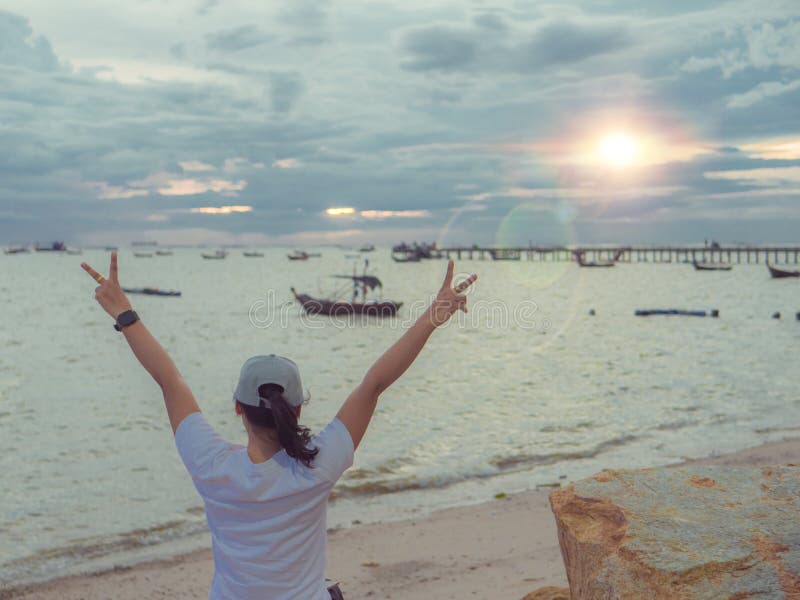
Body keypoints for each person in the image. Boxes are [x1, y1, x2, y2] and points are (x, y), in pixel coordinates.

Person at [81, 252, 477, 600]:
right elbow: (373, 385)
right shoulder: (316, 467)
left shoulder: (212, 467)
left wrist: (124, 314)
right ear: (298, 410)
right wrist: (433, 316)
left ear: (238, 408)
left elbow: (170, 381)